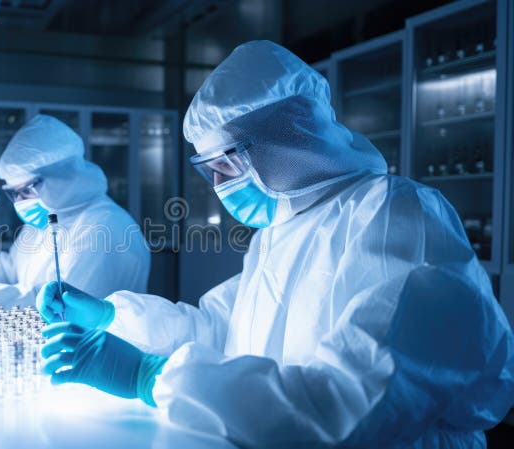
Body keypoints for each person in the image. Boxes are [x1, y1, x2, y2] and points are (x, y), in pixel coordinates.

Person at [36, 41, 514, 448]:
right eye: (209, 171)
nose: (217, 185)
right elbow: (222, 330)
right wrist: (113, 316)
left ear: (282, 142)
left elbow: (347, 406)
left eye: (224, 164)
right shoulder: (280, 232)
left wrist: (151, 378)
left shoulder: (396, 216)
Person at [0, 114, 150, 309]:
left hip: (96, 353)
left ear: (62, 177)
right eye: (13, 193)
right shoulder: (46, 220)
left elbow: (56, 304)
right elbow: (11, 271)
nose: (19, 201)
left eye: (26, 190)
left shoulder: (104, 228)